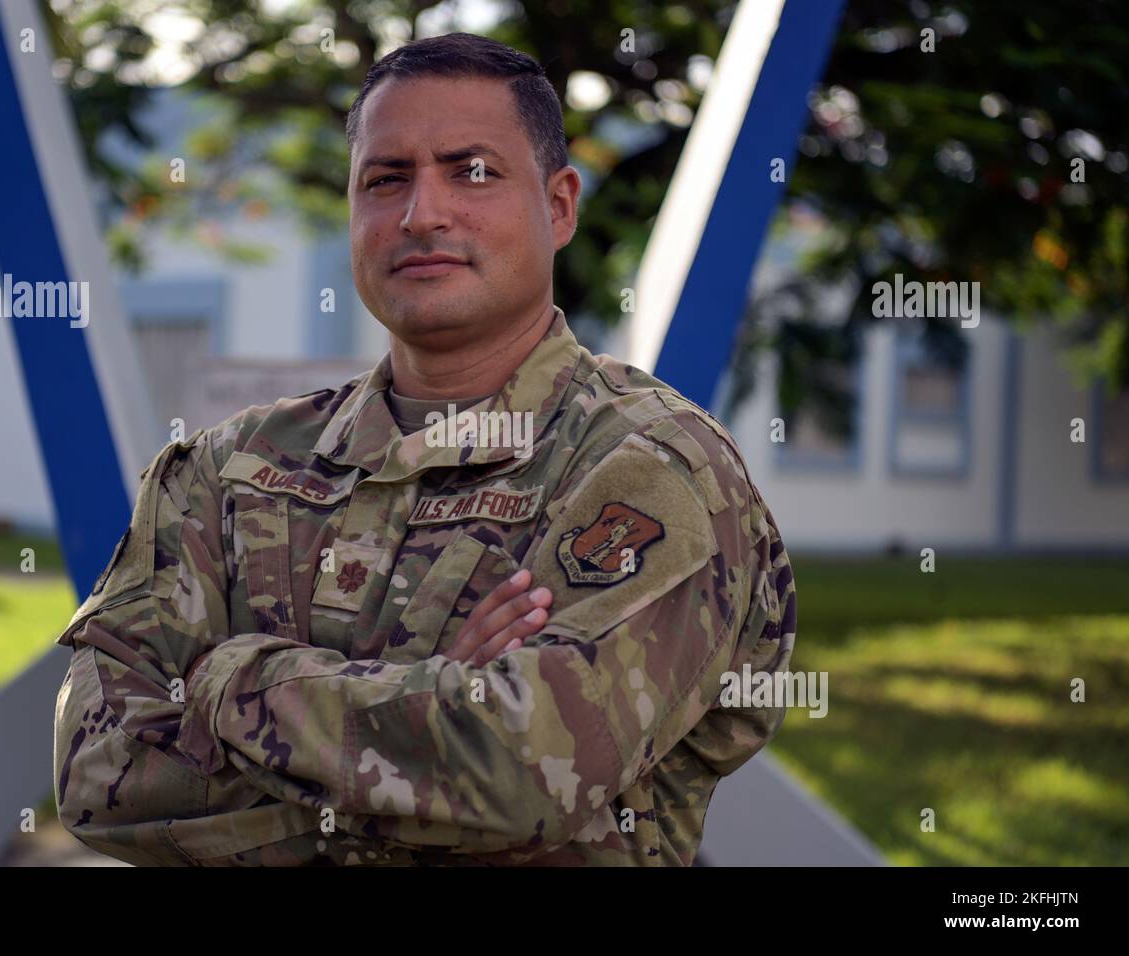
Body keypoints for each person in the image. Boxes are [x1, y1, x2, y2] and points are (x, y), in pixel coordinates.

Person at [52, 31, 797, 866]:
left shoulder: (654, 471)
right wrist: (432, 707)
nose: (421, 213)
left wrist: (228, 680)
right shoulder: (229, 472)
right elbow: (97, 772)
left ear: (558, 206)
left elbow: (519, 772)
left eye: (470, 171)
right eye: (386, 179)